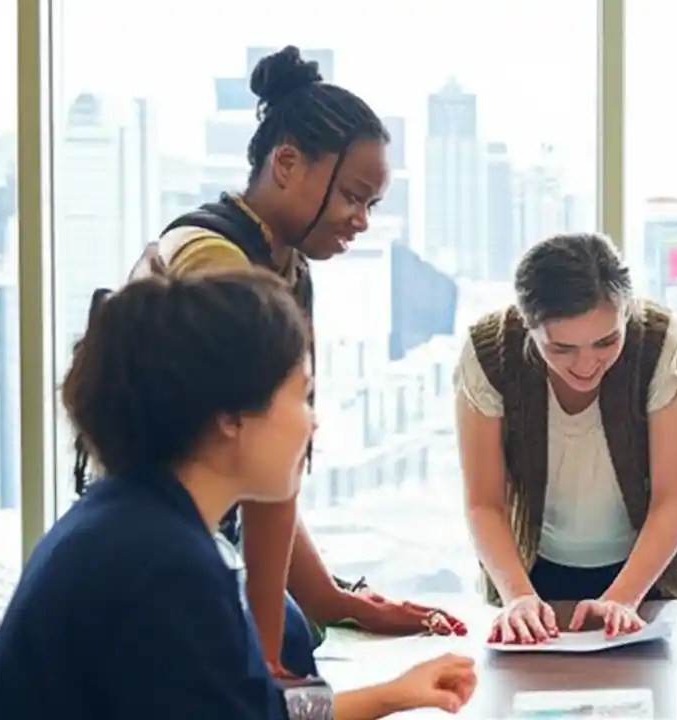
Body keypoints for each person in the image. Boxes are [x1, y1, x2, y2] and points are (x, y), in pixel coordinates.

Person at [115, 45, 464, 676]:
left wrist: (332, 599)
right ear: (286, 163)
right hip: (154, 543)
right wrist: (268, 663)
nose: (361, 221)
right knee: (289, 645)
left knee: (302, 631)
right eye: (352, 196)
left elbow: (274, 472)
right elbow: (263, 463)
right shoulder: (214, 261)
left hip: (191, 534)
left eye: (371, 205)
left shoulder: (285, 264)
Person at [0, 271, 477, 718]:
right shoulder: (166, 565)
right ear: (230, 416)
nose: (313, 421)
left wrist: (394, 694)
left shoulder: (132, 522)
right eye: (302, 396)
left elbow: (248, 709)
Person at [456, 233, 677, 644]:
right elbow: (484, 503)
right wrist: (518, 597)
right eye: (561, 348)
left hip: (651, 570)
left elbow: (674, 499)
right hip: (531, 565)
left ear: (625, 313)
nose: (586, 365)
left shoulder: (663, 344)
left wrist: (623, 599)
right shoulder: (490, 351)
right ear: (528, 326)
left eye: (606, 341)